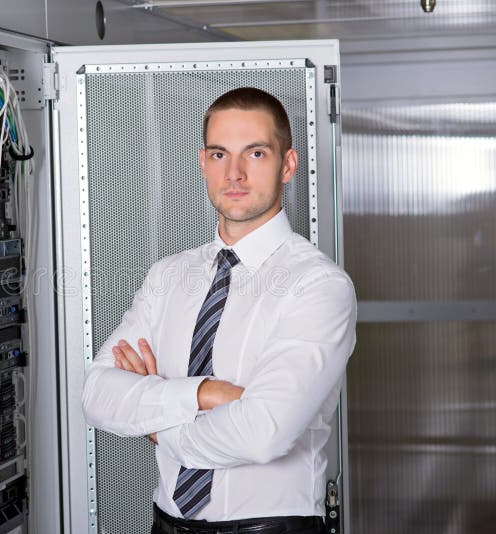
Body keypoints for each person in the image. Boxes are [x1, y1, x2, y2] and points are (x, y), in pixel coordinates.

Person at [82, 87, 357, 534]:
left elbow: (264, 432)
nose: (234, 173)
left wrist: (154, 422)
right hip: (165, 525)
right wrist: (204, 393)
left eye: (255, 153)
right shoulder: (168, 276)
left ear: (287, 165)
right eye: (218, 154)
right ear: (202, 162)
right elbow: (96, 393)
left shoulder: (319, 286)